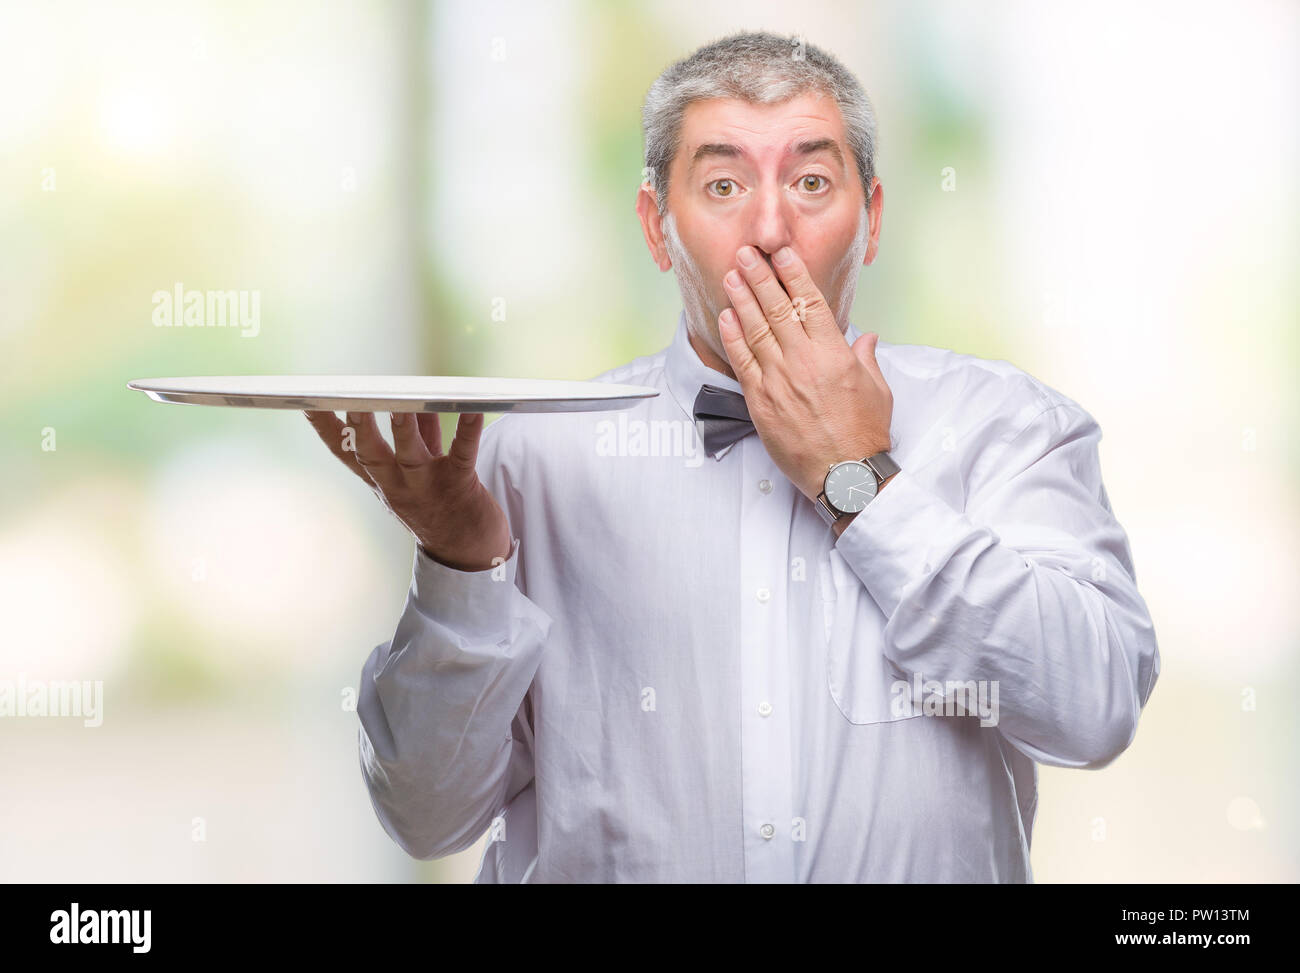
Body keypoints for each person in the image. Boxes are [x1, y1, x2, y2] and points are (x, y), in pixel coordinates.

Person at [305, 29, 1160, 883]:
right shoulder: (536, 456)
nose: (769, 225)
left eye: (813, 182)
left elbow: (1095, 710)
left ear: (871, 221)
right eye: (722, 185)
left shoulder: (1005, 426)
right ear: (656, 225)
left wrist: (861, 480)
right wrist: (457, 563)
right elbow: (425, 817)